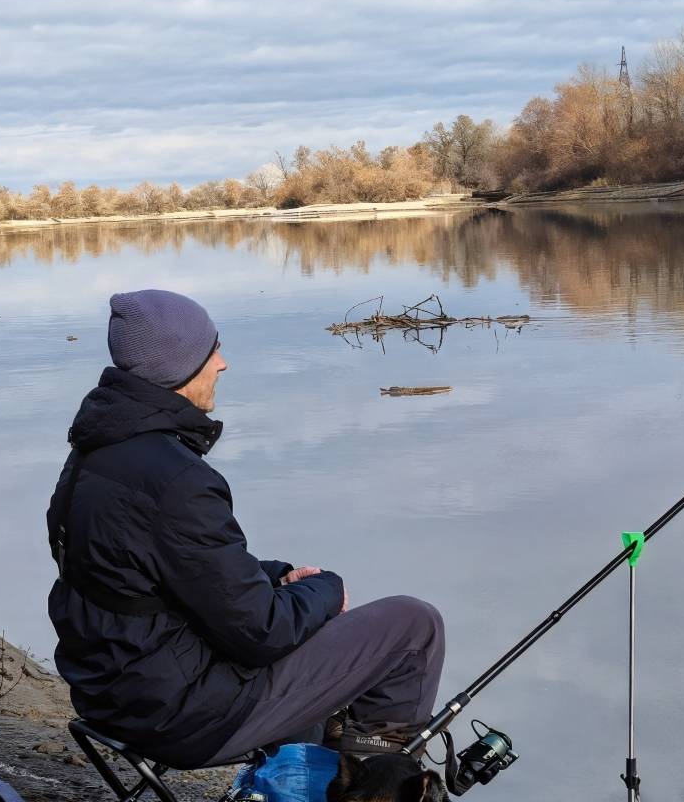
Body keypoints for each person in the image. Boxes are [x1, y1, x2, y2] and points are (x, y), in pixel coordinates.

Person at [46, 289, 447, 770]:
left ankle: (308, 799)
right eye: (211, 350)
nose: (222, 364)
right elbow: (263, 633)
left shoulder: (95, 454)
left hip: (111, 695)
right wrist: (326, 589)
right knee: (413, 624)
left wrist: (277, 576)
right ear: (178, 366)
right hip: (182, 716)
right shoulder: (176, 479)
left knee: (313, 635)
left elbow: (155, 570)